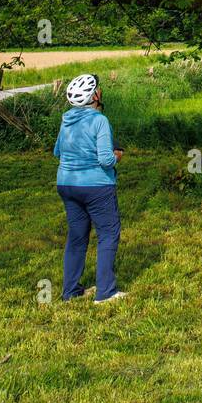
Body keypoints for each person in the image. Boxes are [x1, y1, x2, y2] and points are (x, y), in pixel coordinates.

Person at [53, 73, 126, 304]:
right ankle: (106, 293)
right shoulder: (99, 120)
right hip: (96, 187)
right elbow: (105, 160)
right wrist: (117, 156)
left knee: (76, 237)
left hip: (66, 184)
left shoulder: (66, 119)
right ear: (94, 96)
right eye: (99, 89)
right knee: (108, 234)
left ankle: (71, 291)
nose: (101, 92)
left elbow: (57, 152)